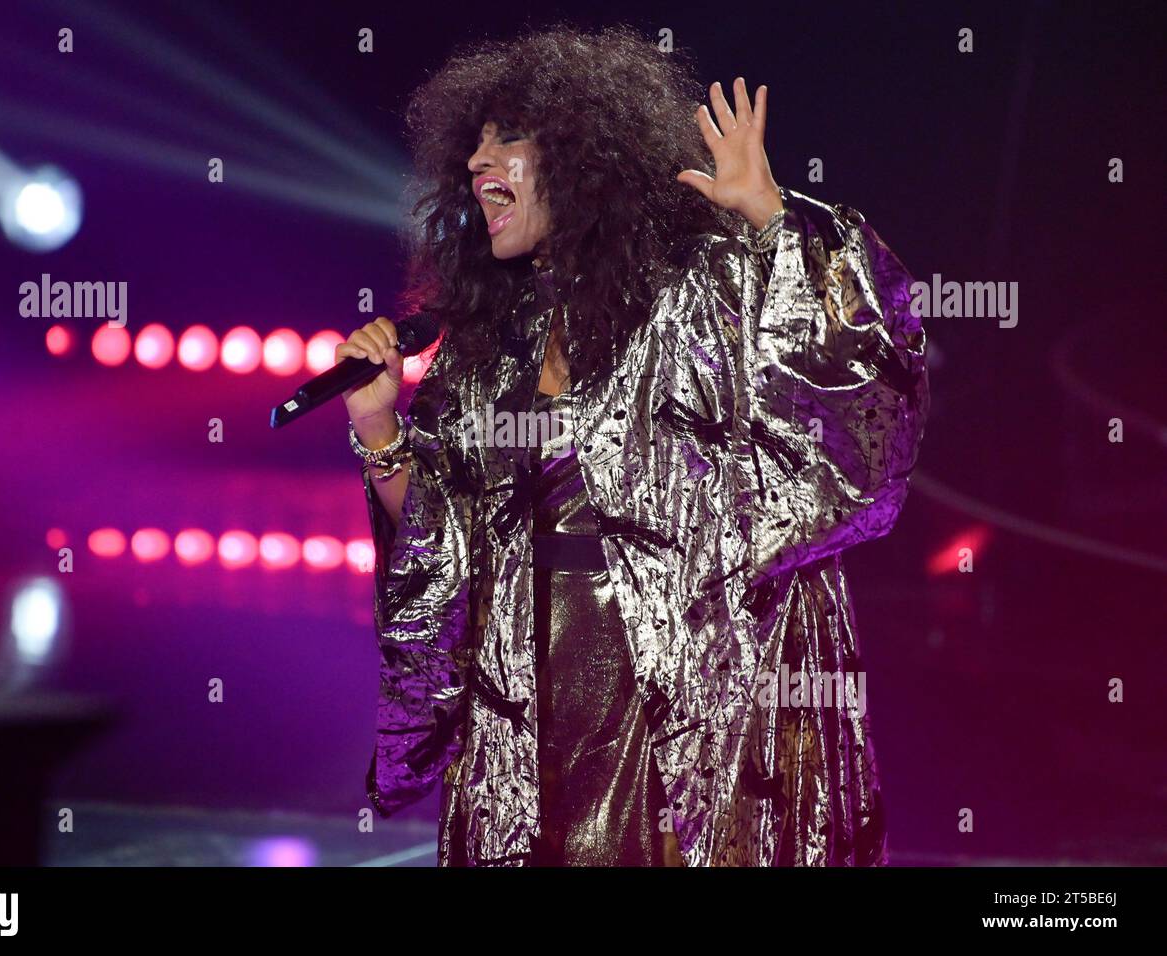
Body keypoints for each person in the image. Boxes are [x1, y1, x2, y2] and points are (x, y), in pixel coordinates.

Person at [337, 26, 928, 866]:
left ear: (584, 159)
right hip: (529, 683)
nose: (477, 162)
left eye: (507, 139)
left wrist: (771, 221)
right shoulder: (486, 347)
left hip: (680, 678)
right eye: (472, 144)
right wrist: (379, 429)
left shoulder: (702, 292)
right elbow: (444, 546)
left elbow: (855, 409)